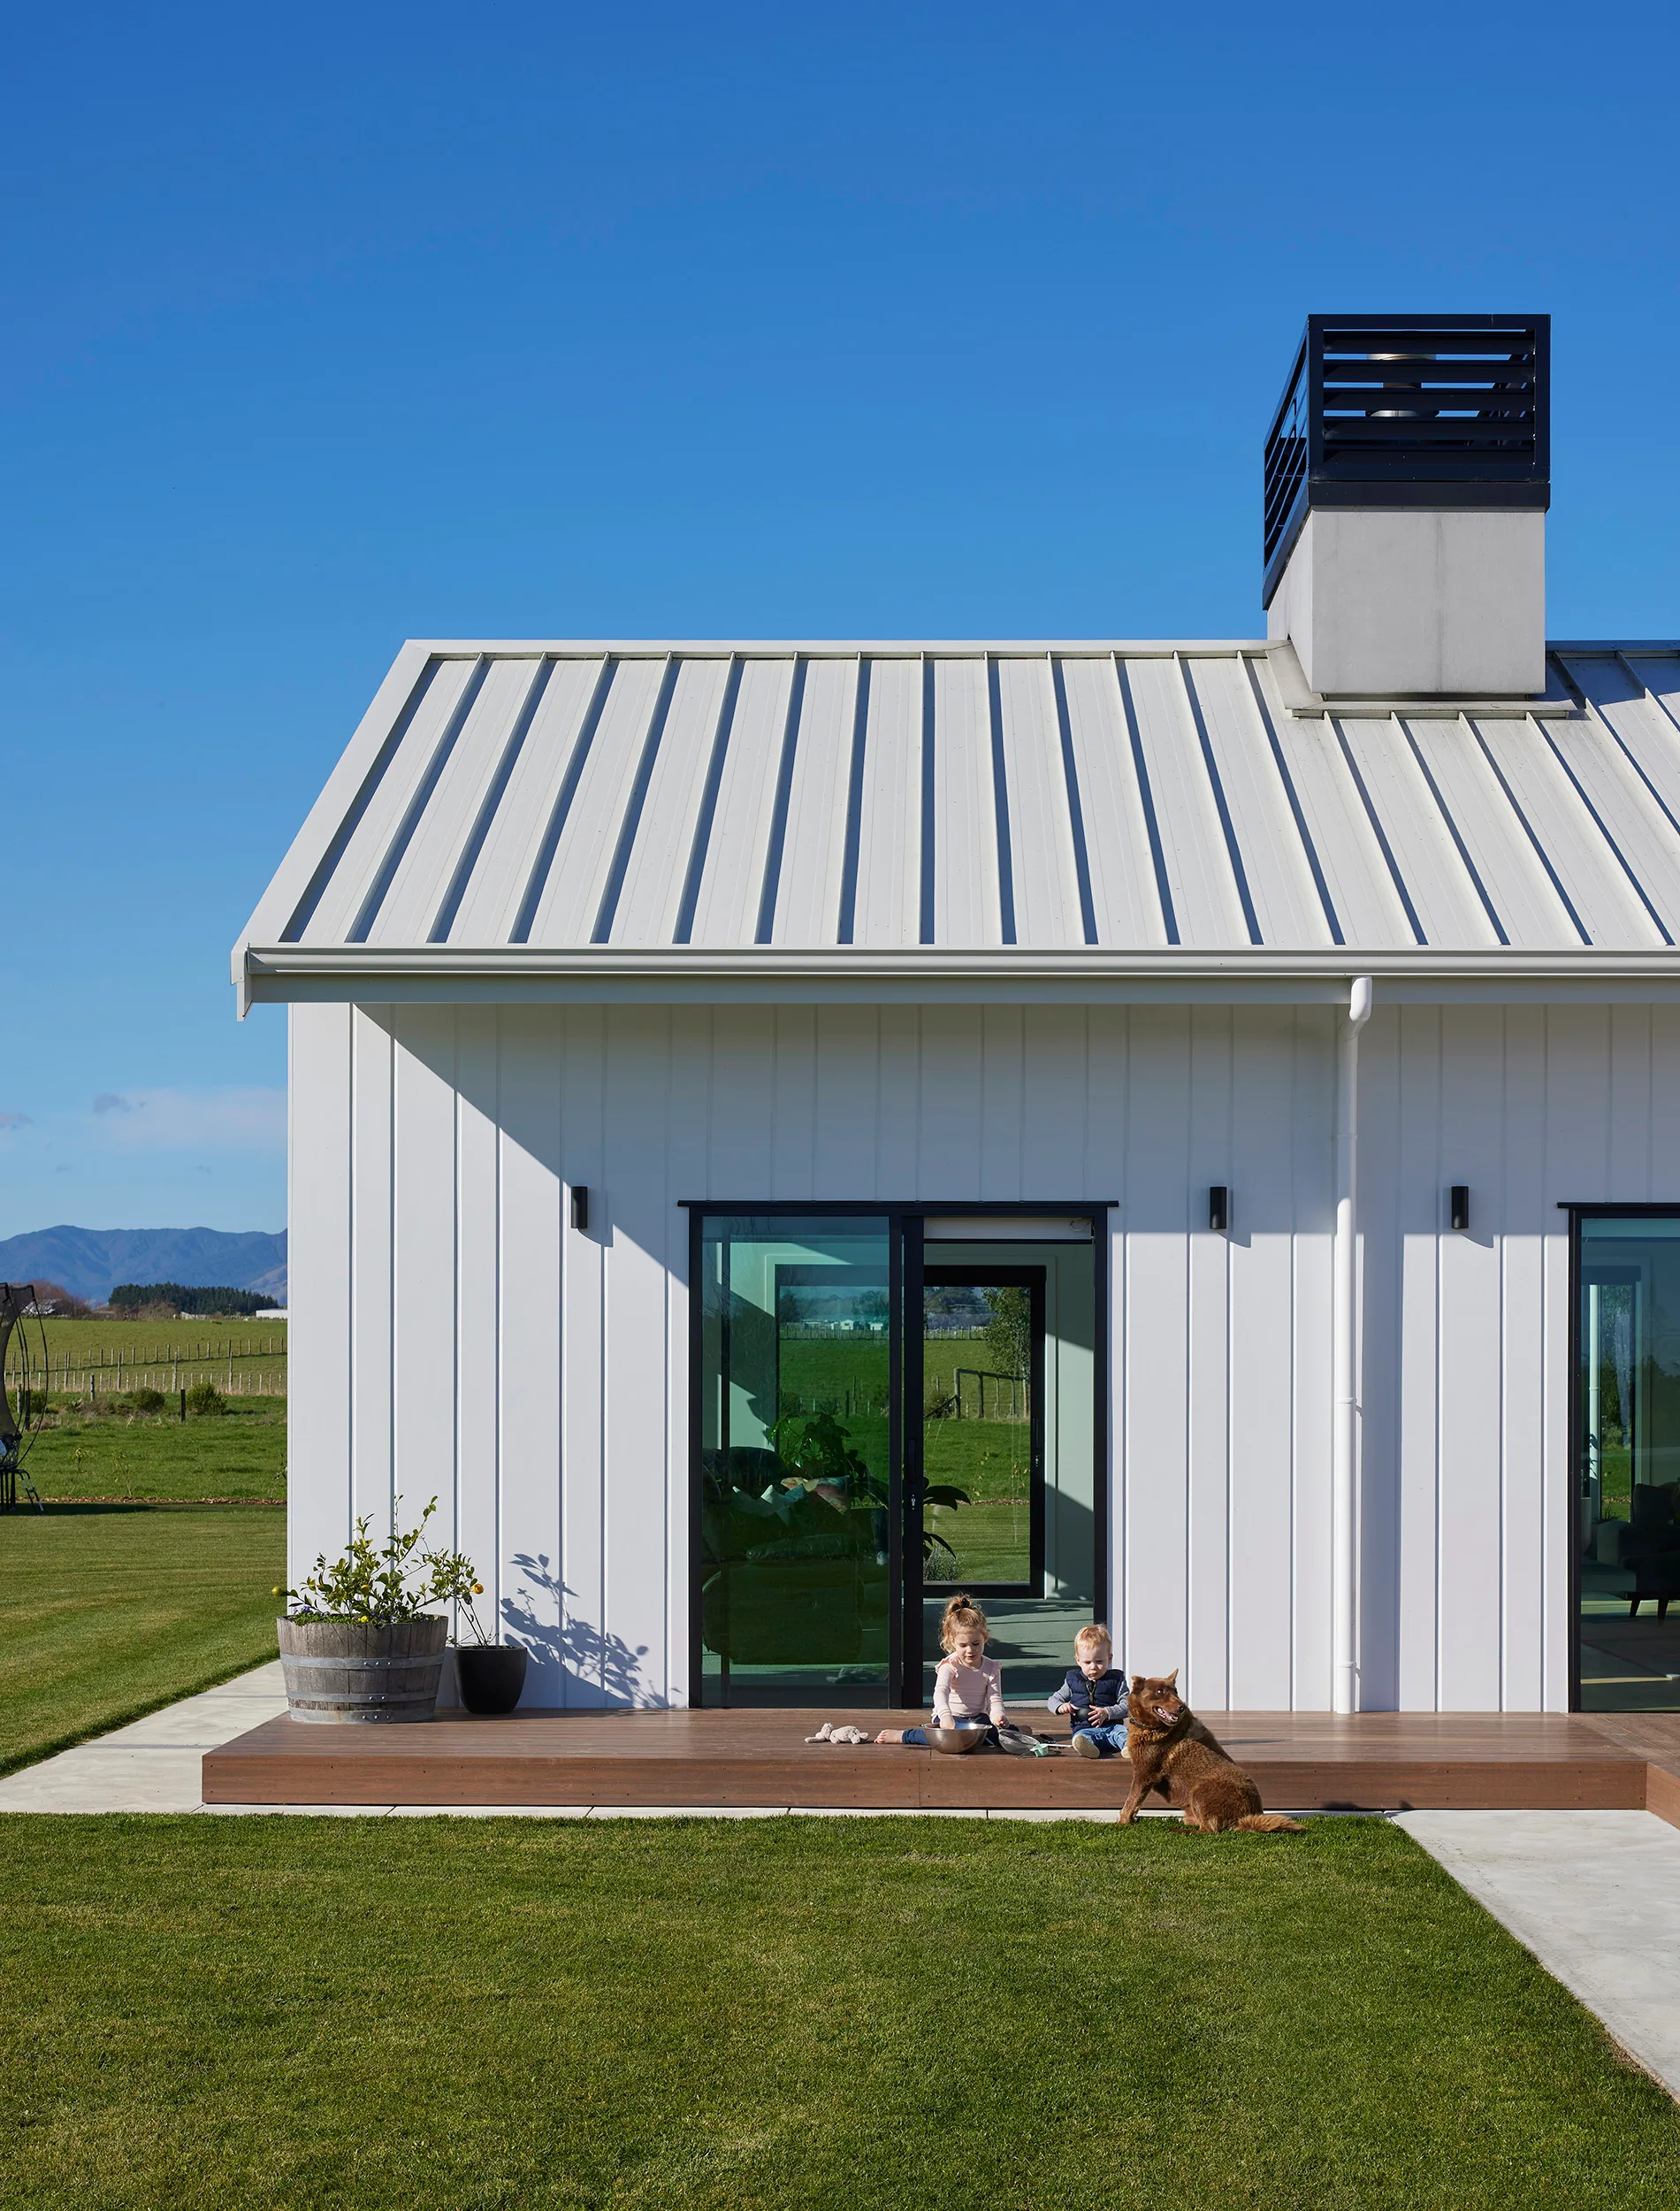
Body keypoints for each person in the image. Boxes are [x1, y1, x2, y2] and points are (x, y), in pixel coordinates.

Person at [875, 1593, 1007, 1746]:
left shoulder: (991, 1667)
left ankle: (1013, 1731)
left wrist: (999, 1715)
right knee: (943, 1737)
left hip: (977, 1719)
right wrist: (945, 1716)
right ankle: (904, 1735)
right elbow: (940, 1693)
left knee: (996, 1735)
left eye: (976, 1644)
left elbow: (994, 1699)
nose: (970, 1650)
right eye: (963, 1645)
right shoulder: (950, 1665)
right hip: (950, 1717)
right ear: (952, 1641)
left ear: (985, 1637)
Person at [1049, 1622, 1129, 1758]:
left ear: (1109, 1659)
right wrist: (1061, 1706)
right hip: (1085, 1728)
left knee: (1123, 1733)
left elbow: (1128, 1706)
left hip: (1112, 1728)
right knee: (1081, 1737)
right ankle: (1088, 1748)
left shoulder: (1116, 1679)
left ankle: (1130, 1748)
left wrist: (1108, 1712)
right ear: (1078, 1660)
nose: (1093, 1667)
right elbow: (1053, 1699)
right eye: (1087, 1662)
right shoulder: (1072, 1680)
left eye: (1099, 1662)